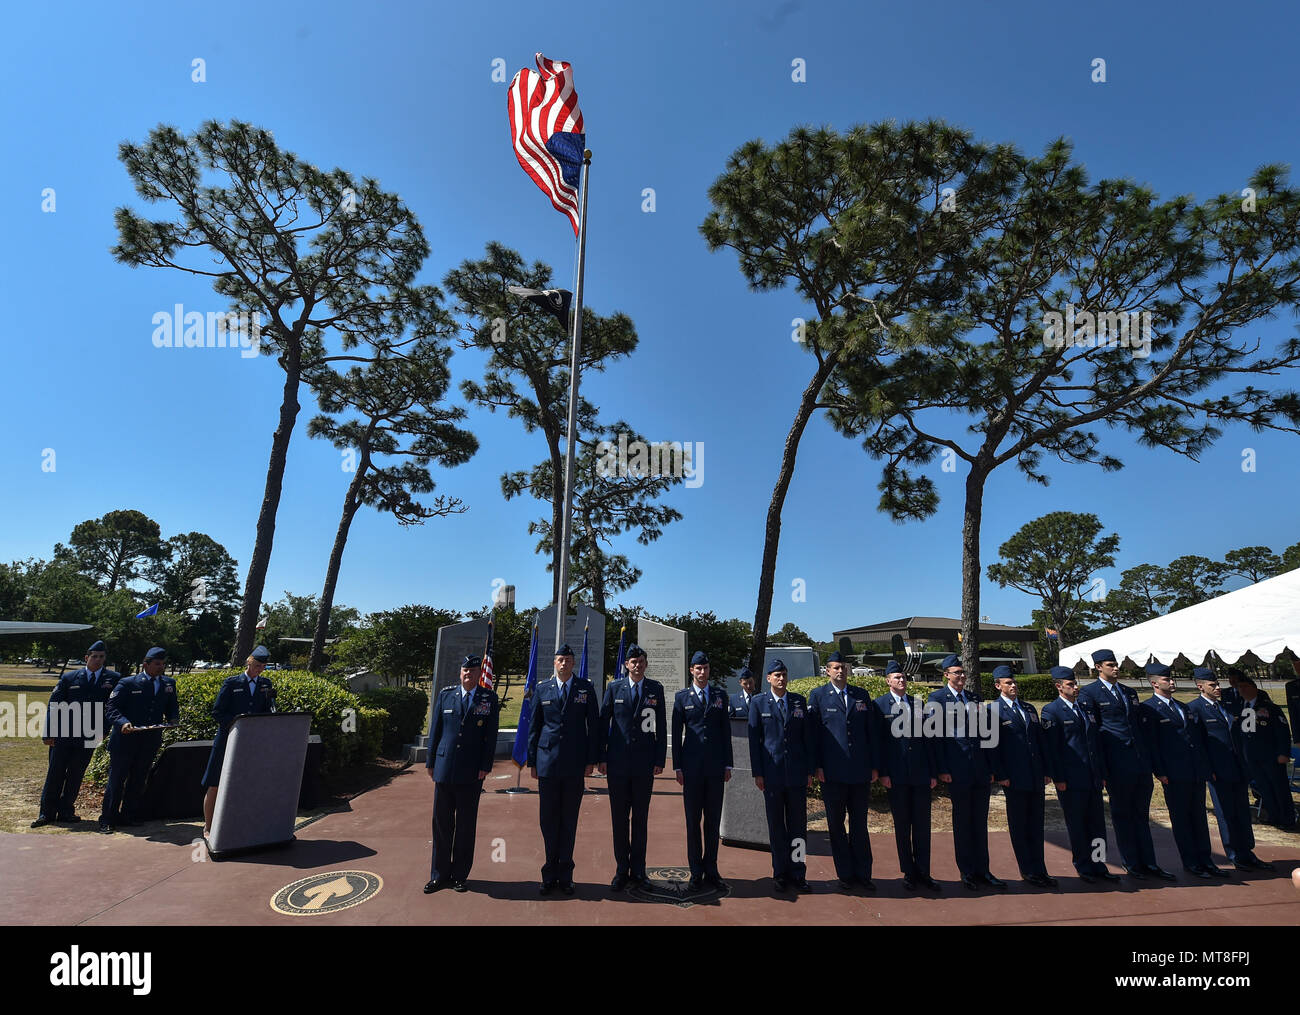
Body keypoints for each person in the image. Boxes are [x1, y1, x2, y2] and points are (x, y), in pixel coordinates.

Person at [1076, 649, 1173, 880]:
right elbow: (1094, 735)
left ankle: (1149, 863)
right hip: (1116, 765)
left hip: (1139, 763)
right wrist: (1103, 769)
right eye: (1110, 664)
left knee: (1141, 815)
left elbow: (1137, 727)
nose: (1116, 668)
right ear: (1098, 667)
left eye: (1116, 664)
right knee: (1123, 815)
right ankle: (1132, 863)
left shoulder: (1128, 692)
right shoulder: (1089, 694)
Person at [1139, 662, 1227, 879]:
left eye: (1171, 679)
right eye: (1166, 680)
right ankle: (1191, 862)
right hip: (1173, 773)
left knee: (1199, 818)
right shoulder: (1149, 709)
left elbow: (1196, 740)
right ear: (1154, 683)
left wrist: (1204, 768)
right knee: (1181, 819)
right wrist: (1160, 771)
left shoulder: (1183, 707)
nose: (1171, 682)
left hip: (1195, 771)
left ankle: (1206, 860)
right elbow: (1152, 743)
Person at [527, 643, 600, 895]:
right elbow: (534, 727)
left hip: (574, 764)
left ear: (573, 662)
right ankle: (549, 874)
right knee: (548, 821)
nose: (564, 663)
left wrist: (591, 760)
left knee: (569, 821)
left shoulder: (585, 688)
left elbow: (594, 727)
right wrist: (532, 761)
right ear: (554, 662)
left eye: (568, 659)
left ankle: (566, 875)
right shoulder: (542, 689)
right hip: (547, 764)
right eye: (560, 659)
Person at [928, 654, 1004, 891]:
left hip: (979, 769)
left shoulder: (974, 698)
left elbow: (985, 734)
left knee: (980, 822)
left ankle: (984, 870)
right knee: (962, 822)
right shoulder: (937, 699)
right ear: (946, 675)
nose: (961, 676)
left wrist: (991, 768)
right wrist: (942, 769)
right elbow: (936, 738)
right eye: (956, 672)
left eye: (963, 672)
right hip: (956, 770)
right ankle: (967, 871)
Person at [424, 656, 499, 894]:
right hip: (444, 768)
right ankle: (439, 875)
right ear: (460, 673)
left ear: (479, 674)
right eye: (465, 670)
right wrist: (430, 761)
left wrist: (485, 765)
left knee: (466, 826)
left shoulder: (488, 698)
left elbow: (491, 736)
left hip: (471, 770)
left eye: (473, 670)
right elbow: (435, 730)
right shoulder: (446, 695)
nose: (468, 674)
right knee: (441, 824)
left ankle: (459, 876)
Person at [1186, 667, 1272, 871]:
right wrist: (1208, 769)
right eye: (1212, 685)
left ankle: (1247, 852)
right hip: (1218, 770)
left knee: (1242, 811)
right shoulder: (1195, 708)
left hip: (1238, 767)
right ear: (1200, 686)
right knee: (1226, 812)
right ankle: (1234, 853)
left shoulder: (1224, 706)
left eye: (1218, 684)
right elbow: (1198, 744)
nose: (1218, 688)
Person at [808, 650, 877, 891]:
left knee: (860, 825)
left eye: (842, 667)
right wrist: (816, 766)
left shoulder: (861, 695)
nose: (840, 671)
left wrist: (874, 766)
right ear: (827, 670)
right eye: (835, 667)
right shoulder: (817, 696)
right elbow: (813, 736)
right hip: (832, 773)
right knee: (836, 826)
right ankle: (845, 875)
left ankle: (864, 873)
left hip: (859, 772)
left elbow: (871, 734)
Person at [1041, 666, 1118, 883]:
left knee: (1097, 825)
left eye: (1075, 684)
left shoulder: (1086, 708)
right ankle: (1084, 865)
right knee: (1078, 825)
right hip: (1071, 779)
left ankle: (1099, 864)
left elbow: (1096, 744)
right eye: (1070, 685)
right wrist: (1059, 778)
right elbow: (1053, 749)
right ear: (1059, 686)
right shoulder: (1051, 711)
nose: (1075, 688)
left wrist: (1101, 773)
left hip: (1093, 777)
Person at [600, 643, 666, 892]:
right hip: (617, 765)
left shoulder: (654, 689)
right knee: (619, 819)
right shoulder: (614, 687)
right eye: (633, 662)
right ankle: (621, 869)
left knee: (640, 818)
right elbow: (602, 722)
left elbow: (661, 724)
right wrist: (602, 757)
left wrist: (659, 760)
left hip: (644, 764)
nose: (637, 665)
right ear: (626, 665)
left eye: (641, 661)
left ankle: (638, 870)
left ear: (646, 664)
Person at [33, 640, 120, 827]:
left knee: (76, 773)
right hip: (64, 733)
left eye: (101, 657)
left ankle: (66, 811)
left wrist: (104, 730)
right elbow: (54, 705)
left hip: (90, 734)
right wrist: (49, 732)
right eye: (94, 656)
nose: (98, 660)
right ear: (86, 658)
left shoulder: (113, 679)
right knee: (55, 773)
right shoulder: (69, 678)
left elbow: (112, 707)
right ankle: (46, 813)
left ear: (105, 658)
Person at [873, 660, 939, 891]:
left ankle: (924, 871)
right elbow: (878, 743)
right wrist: (883, 773)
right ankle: (908, 872)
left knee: (922, 825)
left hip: (920, 774)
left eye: (904, 677)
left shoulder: (919, 705)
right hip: (897, 775)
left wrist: (933, 772)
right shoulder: (879, 706)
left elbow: (928, 742)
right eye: (897, 678)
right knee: (903, 825)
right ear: (888, 681)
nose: (902, 681)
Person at [748, 658, 812, 893]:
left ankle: (798, 872)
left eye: (784, 674)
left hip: (796, 775)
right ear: (768, 678)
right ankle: (780, 873)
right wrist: (758, 773)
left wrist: (808, 770)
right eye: (776, 675)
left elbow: (807, 739)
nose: (781, 679)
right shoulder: (758, 703)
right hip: (772, 775)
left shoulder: (798, 701)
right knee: (776, 827)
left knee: (798, 828)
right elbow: (755, 741)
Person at [99, 646, 178, 833]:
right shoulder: (128, 683)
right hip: (125, 741)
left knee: (138, 779)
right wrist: (123, 723)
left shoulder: (168, 683)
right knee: (116, 780)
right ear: (146, 664)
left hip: (149, 740)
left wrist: (173, 719)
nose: (161, 667)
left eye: (163, 664)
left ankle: (128, 815)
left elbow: (171, 706)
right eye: (157, 664)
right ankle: (107, 818)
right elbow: (111, 708)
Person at [671, 650, 732, 892]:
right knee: (693, 821)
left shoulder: (720, 696)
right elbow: (676, 735)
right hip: (692, 769)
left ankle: (712, 868)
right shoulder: (681, 697)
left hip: (716, 768)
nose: (702, 672)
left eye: (705, 668)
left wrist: (728, 763)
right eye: (698, 668)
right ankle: (695, 869)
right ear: (691, 671)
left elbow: (725, 731)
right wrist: (677, 766)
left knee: (713, 820)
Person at [990, 667, 1056, 888]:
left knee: (1036, 825)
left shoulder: (1028, 708)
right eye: (1008, 683)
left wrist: (1047, 770)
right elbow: (992, 747)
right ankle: (1028, 870)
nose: (1013, 686)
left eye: (1014, 682)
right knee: (1020, 825)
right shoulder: (993, 711)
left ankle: (1041, 869)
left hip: (1035, 775)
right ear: (998, 686)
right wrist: (1001, 774)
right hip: (1014, 777)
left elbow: (1040, 742)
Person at [201, 645, 277, 836]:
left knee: (248, 782)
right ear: (249, 662)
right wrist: (236, 725)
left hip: (252, 743)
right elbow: (218, 712)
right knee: (215, 783)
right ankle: (208, 826)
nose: (259, 669)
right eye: (257, 665)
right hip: (228, 740)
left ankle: (244, 823)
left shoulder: (266, 684)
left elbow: (267, 711)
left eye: (263, 667)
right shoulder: (232, 683)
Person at [1236, 674, 1296, 830]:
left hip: (1271, 756)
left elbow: (1282, 731)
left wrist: (1284, 753)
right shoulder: (1243, 707)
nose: (1241, 690)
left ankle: (1288, 819)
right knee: (1264, 789)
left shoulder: (1269, 707)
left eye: (1245, 687)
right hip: (1252, 756)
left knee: (1279, 788)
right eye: (1239, 687)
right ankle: (1274, 816)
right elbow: (1244, 733)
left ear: (1254, 688)